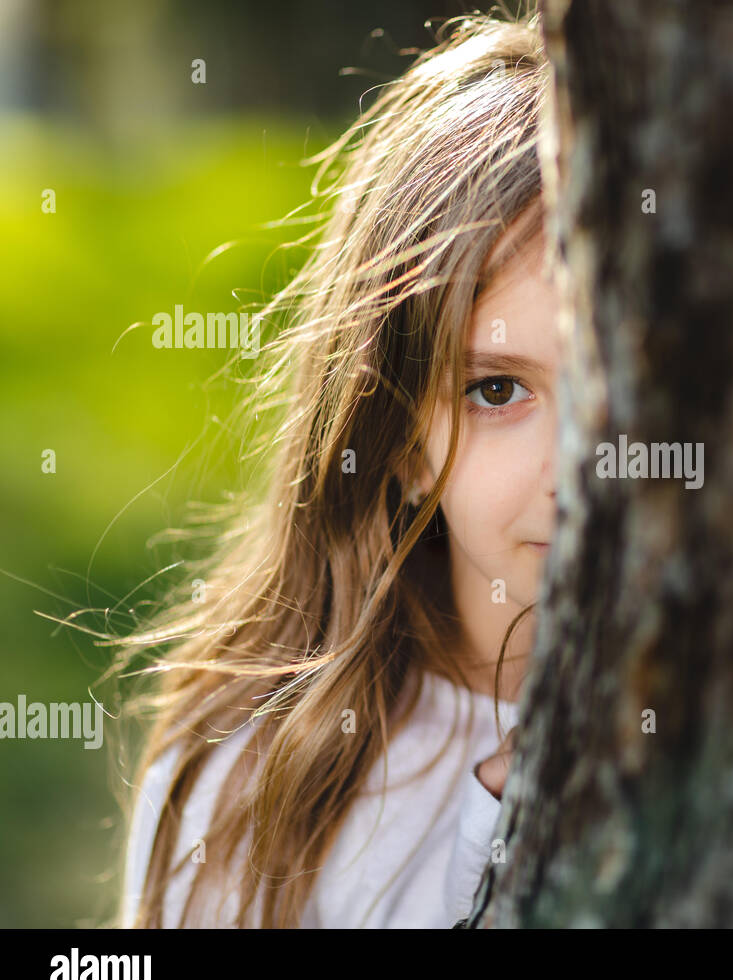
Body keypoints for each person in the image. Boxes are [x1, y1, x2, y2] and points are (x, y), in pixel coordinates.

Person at [116, 5, 556, 928]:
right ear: (394, 436)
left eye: (633, 388)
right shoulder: (262, 781)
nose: (584, 469)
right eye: (498, 392)